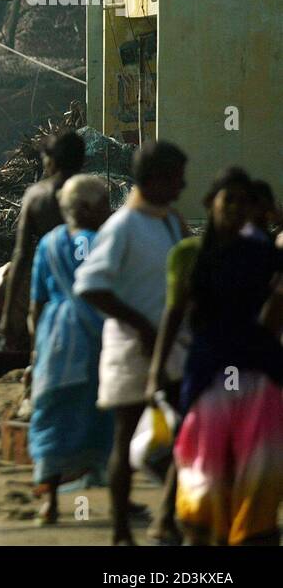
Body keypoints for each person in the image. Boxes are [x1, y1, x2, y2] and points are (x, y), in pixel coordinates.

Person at [150, 168, 283, 546]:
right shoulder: (189, 256)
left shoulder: (262, 254)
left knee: (258, 469)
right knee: (203, 467)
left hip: (257, 370)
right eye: (231, 199)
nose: (238, 208)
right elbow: (173, 316)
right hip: (209, 369)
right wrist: (156, 371)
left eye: (245, 201)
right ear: (211, 203)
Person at [75, 139, 187, 546]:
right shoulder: (122, 225)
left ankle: (166, 517)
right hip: (130, 348)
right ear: (154, 180)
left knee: (187, 432)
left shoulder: (170, 222)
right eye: (175, 179)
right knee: (124, 437)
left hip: (172, 347)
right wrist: (140, 325)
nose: (181, 186)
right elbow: (89, 286)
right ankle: (122, 530)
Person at [28, 173, 114, 526]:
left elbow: (36, 302)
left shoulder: (47, 244)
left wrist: (36, 349)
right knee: (100, 410)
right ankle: (106, 489)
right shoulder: (105, 242)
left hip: (57, 337)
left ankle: (49, 502)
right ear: (86, 208)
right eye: (104, 205)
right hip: (98, 332)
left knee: (53, 411)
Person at [0, 130, 87, 351]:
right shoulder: (92, 192)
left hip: (49, 283)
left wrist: (7, 313)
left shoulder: (36, 196)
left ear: (52, 160)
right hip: (88, 285)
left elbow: (21, 254)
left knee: (46, 345)